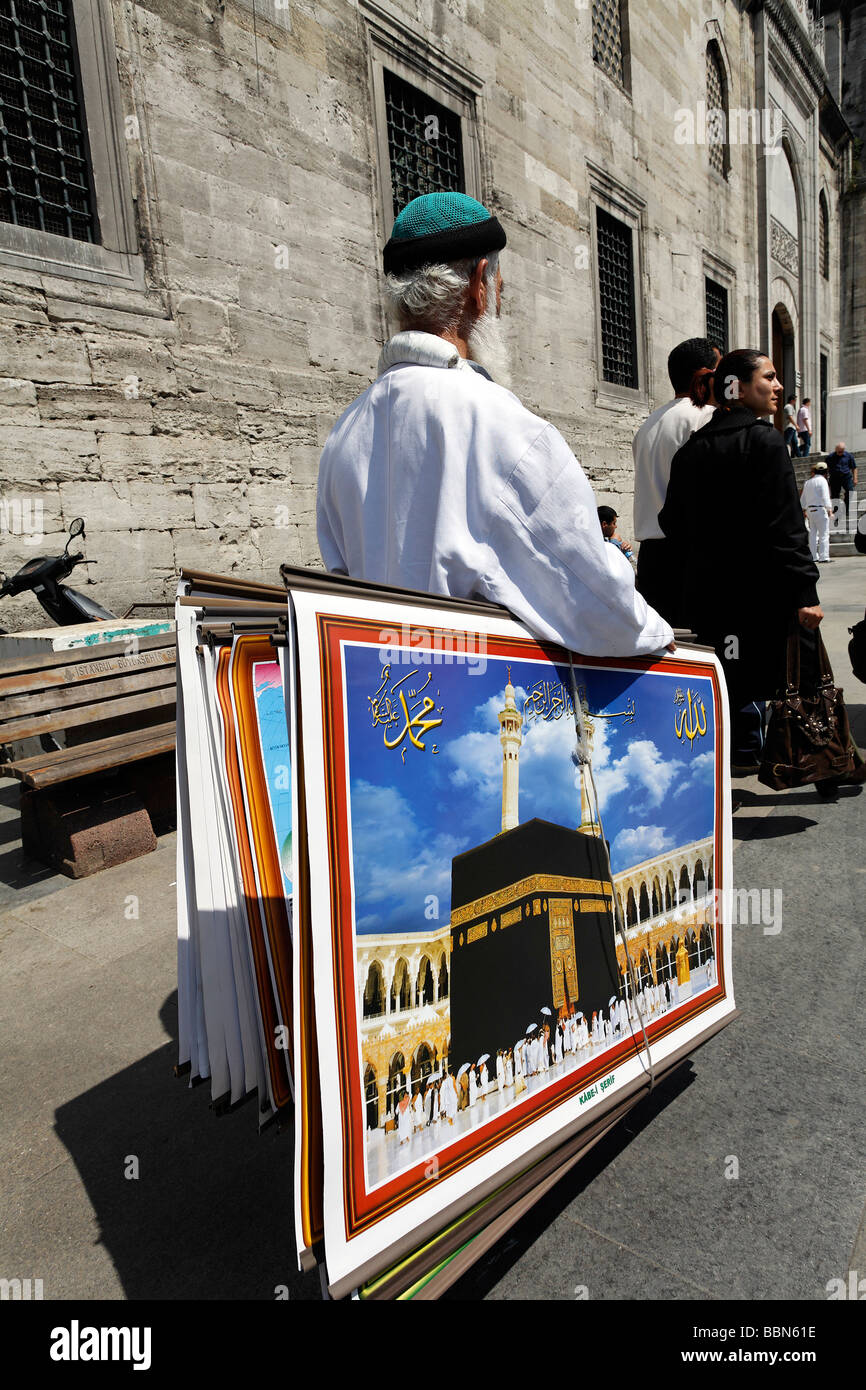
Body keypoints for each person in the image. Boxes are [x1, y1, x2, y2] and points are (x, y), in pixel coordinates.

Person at [317, 191, 673, 661]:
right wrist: (648, 625)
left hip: (387, 705)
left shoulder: (346, 430)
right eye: (499, 284)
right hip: (474, 700)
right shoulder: (496, 422)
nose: (499, 299)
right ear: (479, 284)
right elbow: (592, 596)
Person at [660, 349, 865, 796]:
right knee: (806, 679)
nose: (778, 387)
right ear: (736, 387)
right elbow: (786, 527)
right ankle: (822, 765)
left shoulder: (691, 451)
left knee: (728, 687)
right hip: (768, 595)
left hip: (711, 598)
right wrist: (806, 591)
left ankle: (711, 785)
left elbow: (671, 525)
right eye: (768, 378)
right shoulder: (764, 441)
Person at [631, 337, 719, 623]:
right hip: (689, 553)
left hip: (652, 558)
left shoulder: (647, 426)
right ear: (705, 376)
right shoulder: (706, 417)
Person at [800, 461, 832, 563]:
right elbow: (825, 496)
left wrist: (804, 509)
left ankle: (814, 556)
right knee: (824, 534)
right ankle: (824, 557)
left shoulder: (808, 482)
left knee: (813, 534)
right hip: (819, 509)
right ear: (825, 471)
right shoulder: (822, 481)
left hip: (810, 510)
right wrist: (829, 509)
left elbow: (803, 499)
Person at [826, 441, 858, 529]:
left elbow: (854, 468)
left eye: (842, 451)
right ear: (836, 449)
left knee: (850, 491)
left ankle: (846, 508)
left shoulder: (849, 456)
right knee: (835, 496)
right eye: (839, 451)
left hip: (846, 477)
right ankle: (836, 515)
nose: (840, 453)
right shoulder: (830, 457)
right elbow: (826, 469)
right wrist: (825, 479)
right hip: (835, 478)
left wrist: (855, 478)